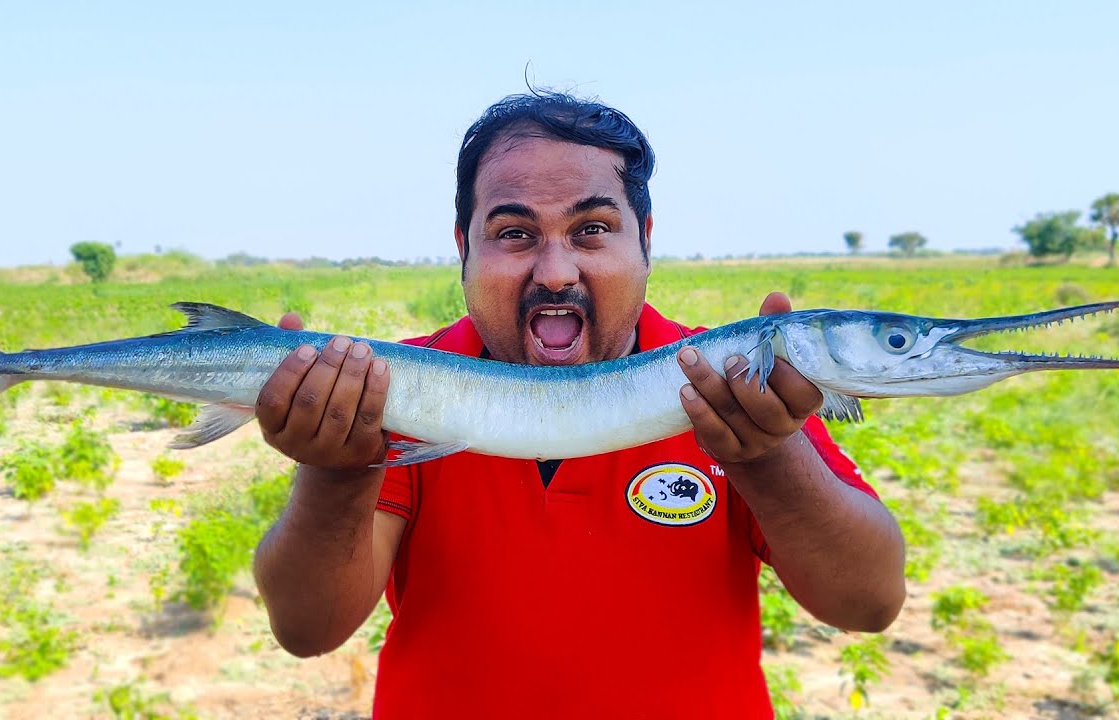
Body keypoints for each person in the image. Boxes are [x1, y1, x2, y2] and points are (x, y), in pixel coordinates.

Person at [252, 92, 906, 719]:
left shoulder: (724, 380)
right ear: (464, 248)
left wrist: (766, 453)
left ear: (645, 239)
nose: (556, 271)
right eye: (514, 233)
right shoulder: (397, 388)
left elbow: (867, 602)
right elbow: (309, 629)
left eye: (592, 229)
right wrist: (335, 474)